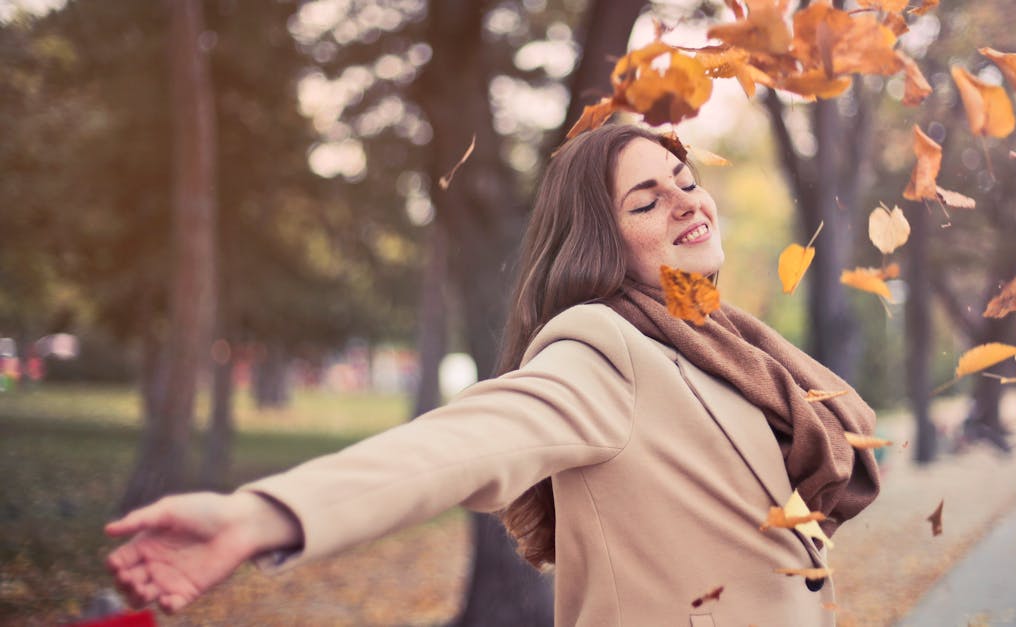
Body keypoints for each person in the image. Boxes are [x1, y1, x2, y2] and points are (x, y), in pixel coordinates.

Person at [105, 124, 881, 625]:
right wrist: (263, 515)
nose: (683, 200)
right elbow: (464, 444)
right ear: (602, 248)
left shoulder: (725, 346)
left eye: (684, 178)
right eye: (647, 201)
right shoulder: (603, 345)